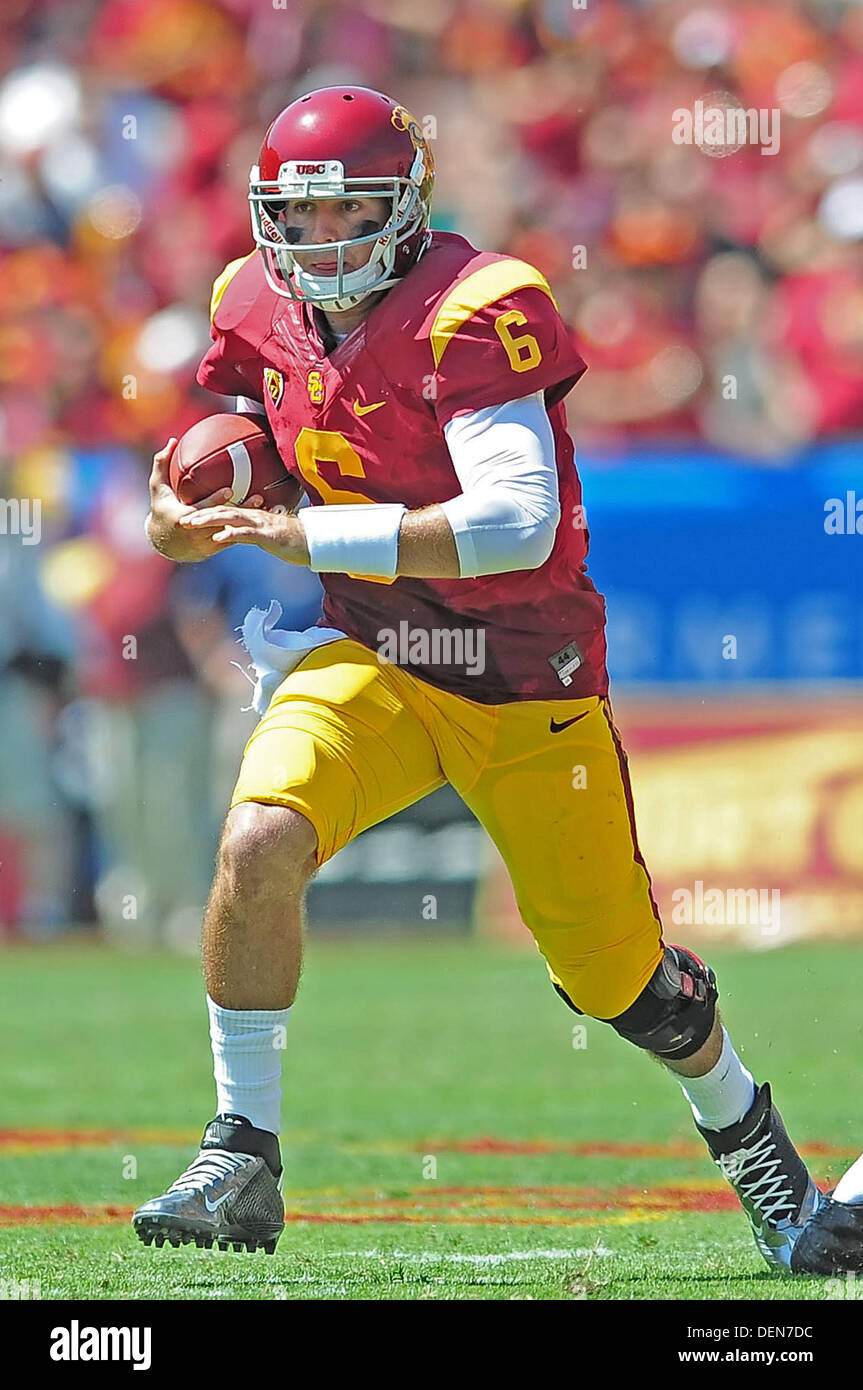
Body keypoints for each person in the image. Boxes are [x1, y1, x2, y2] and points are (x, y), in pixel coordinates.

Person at [135, 85, 833, 1270]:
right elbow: (247, 446)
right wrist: (187, 515)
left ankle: (755, 1145)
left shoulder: (477, 303)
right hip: (375, 654)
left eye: (347, 212)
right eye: (294, 220)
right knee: (258, 842)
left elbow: (511, 524)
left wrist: (304, 537)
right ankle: (240, 1151)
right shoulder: (250, 303)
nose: (317, 244)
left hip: (519, 676)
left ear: (404, 207)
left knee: (621, 983)